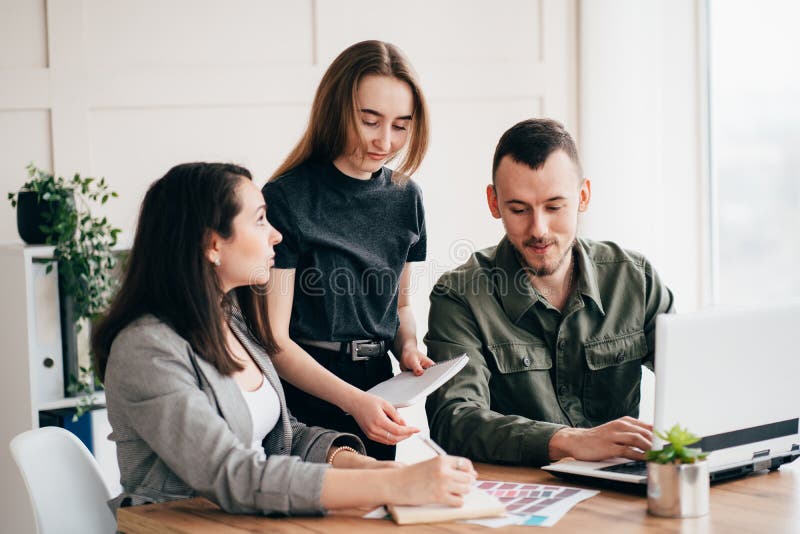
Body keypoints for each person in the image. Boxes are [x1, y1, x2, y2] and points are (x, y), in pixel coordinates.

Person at [92, 163, 476, 516]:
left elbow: (285, 438)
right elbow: (234, 475)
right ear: (213, 245)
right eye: (260, 221)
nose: (276, 235)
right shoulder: (147, 350)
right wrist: (394, 483)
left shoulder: (232, 322)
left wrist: (363, 465)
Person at [424, 118, 675, 467]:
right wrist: (568, 442)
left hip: (622, 498)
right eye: (518, 209)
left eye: (554, 207)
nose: (538, 229)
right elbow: (454, 421)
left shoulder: (635, 279)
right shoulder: (460, 296)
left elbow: (694, 379)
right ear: (494, 202)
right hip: (520, 505)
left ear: (583, 196)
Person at [262, 40, 433, 460]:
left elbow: (401, 307)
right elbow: (276, 341)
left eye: (401, 125)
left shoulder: (407, 198)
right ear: (337, 111)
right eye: (370, 121)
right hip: (308, 395)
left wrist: (408, 346)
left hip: (379, 386)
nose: (386, 141)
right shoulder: (287, 197)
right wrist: (353, 402)